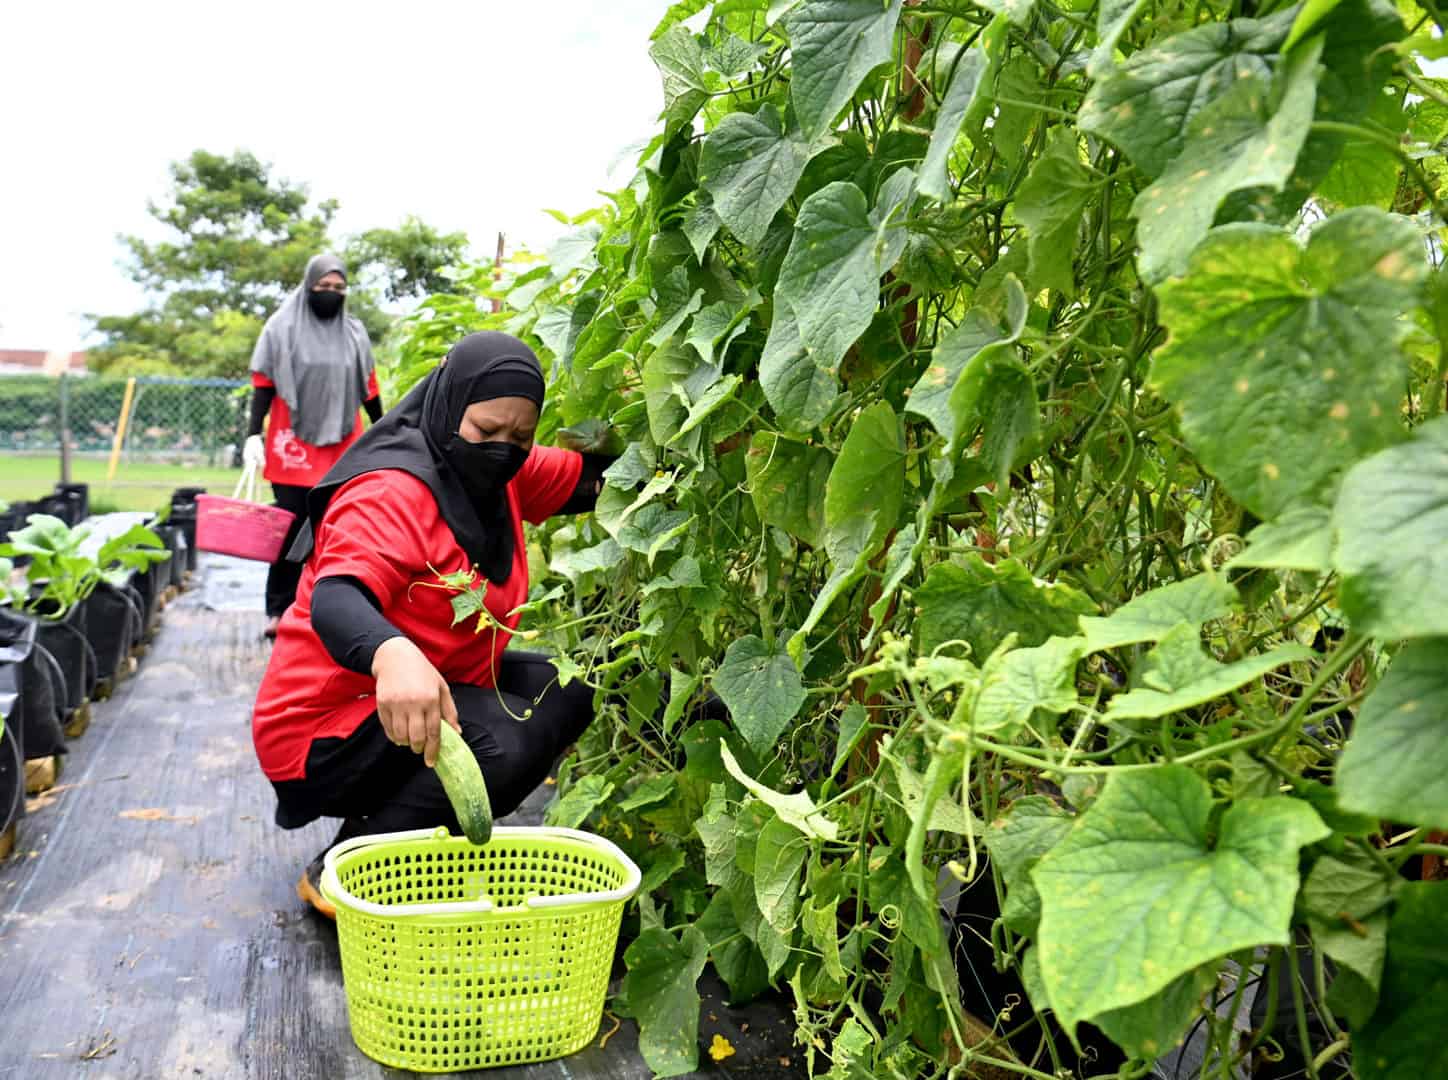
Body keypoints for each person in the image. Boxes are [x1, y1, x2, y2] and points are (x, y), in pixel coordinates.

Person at [249, 331, 613, 919]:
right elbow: (338, 597)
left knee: (565, 689)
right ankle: (347, 862)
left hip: (414, 695)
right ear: (447, 408)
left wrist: (719, 442)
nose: (503, 448)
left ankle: (398, 830)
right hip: (323, 723)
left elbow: (598, 481)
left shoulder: (502, 475)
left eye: (520, 436)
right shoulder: (390, 490)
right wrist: (392, 652)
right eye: (487, 431)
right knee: (501, 744)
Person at [244, 254, 383, 639]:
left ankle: (320, 612)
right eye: (324, 287)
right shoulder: (281, 329)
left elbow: (369, 389)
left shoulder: (353, 333)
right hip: (293, 449)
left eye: (338, 289)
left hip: (343, 449)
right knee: (290, 529)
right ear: (308, 286)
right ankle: (277, 609)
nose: (331, 294)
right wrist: (253, 433)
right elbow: (263, 384)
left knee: (334, 530)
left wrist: (385, 432)